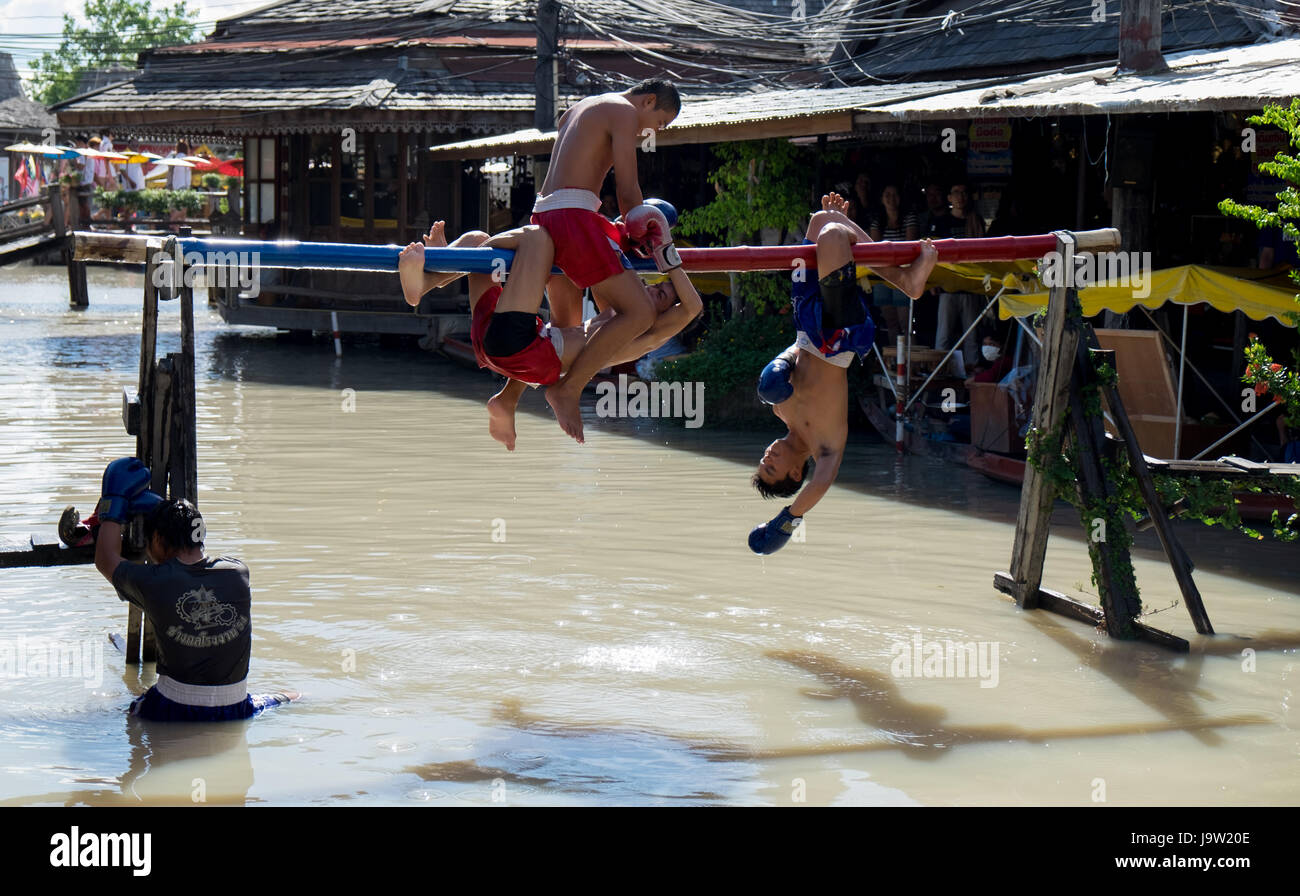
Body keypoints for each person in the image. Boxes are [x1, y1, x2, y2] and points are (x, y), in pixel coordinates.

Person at [398, 218, 702, 450]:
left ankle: (437, 267)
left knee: (537, 239)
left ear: (662, 317)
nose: (652, 290)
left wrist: (667, 254)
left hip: (521, 349)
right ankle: (432, 274)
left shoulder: (643, 332)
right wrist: (623, 236)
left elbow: (692, 307)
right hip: (504, 344)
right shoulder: (616, 313)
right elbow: (598, 258)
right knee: (478, 239)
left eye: (661, 295)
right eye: (655, 284)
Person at [748, 193, 938, 554]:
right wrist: (784, 522)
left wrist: (783, 362)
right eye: (772, 469)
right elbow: (817, 489)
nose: (767, 457)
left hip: (805, 328)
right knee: (833, 233)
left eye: (763, 462)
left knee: (820, 220)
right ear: (793, 474)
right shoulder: (826, 449)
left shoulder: (779, 407)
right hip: (837, 336)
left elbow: (793, 352)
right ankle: (904, 281)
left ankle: (903, 278)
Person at [529, 77, 681, 443]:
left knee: (568, 330)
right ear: (648, 101)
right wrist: (642, 228)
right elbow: (627, 188)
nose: (654, 132)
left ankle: (509, 399)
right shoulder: (625, 112)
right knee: (641, 312)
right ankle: (569, 390)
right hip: (572, 217)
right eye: (660, 123)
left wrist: (619, 235)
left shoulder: (579, 109)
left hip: (547, 215)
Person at [92, 459, 297, 722]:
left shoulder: (155, 582)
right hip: (236, 707)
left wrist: (114, 504)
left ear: (159, 540)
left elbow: (105, 559)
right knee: (291, 696)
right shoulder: (238, 573)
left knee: (126, 712)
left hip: (172, 706)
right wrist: (170, 514)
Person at [928, 181, 986, 372]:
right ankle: (939, 374)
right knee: (943, 335)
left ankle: (971, 379)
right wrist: (932, 280)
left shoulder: (975, 221)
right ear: (949, 198)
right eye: (956, 192)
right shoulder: (941, 222)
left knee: (972, 336)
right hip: (947, 286)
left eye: (964, 192)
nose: (960, 196)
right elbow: (932, 254)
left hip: (970, 286)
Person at [868, 184, 920, 346]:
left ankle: (910, 360)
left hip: (904, 274)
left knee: (906, 322)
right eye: (887, 195)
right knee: (891, 322)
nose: (891, 199)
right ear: (882, 199)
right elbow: (875, 248)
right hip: (883, 275)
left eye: (895, 194)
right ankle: (893, 360)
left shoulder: (909, 217)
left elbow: (910, 245)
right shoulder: (877, 221)